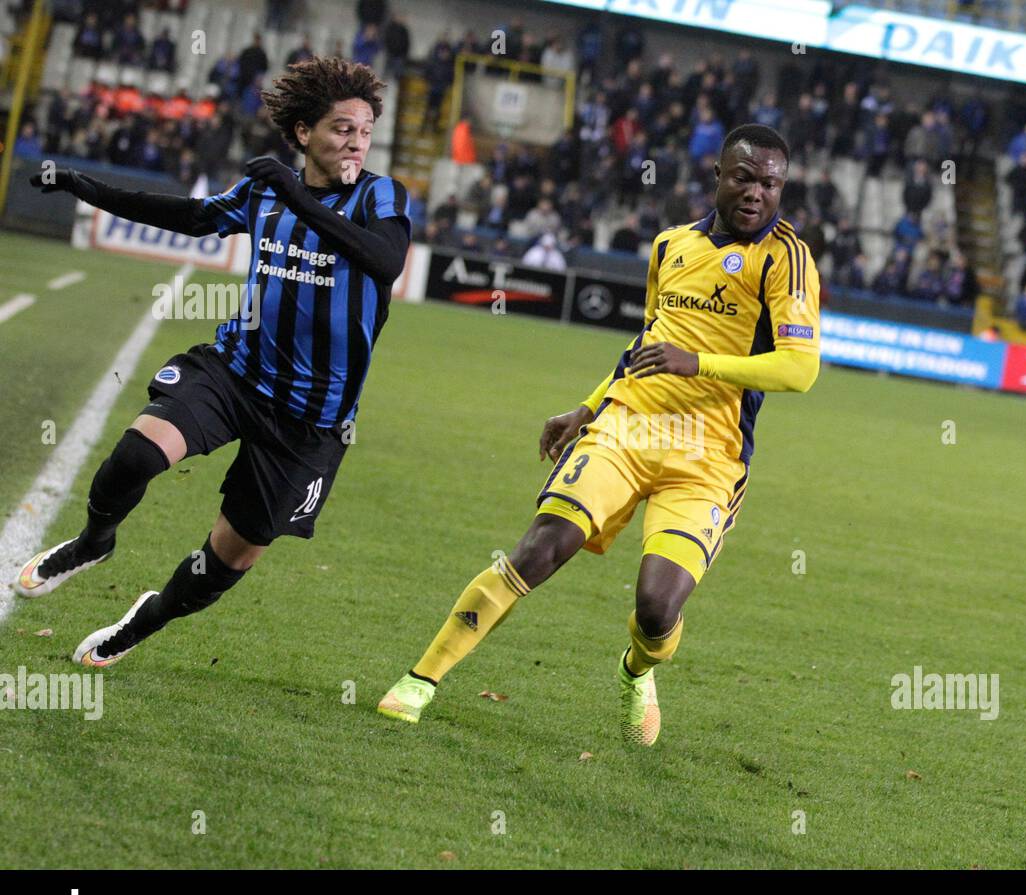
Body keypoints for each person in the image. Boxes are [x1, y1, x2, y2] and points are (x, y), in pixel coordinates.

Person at [378, 124, 820, 746]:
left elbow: (800, 370)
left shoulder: (787, 261)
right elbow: (647, 344)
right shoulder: (670, 246)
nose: (756, 193)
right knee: (541, 546)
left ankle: (636, 671)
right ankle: (419, 681)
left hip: (708, 456)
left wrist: (698, 363)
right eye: (744, 178)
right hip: (626, 427)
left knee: (657, 608)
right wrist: (588, 409)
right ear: (718, 176)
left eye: (770, 183)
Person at [16, 57, 412, 667]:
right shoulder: (265, 190)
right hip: (235, 372)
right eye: (341, 129)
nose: (355, 142)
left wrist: (294, 195)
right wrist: (82, 185)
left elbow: (385, 261)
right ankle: (94, 542)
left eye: (363, 131)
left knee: (226, 559)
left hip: (312, 419)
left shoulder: (378, 195)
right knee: (135, 455)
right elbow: (191, 218)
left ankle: (143, 620)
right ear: (304, 133)